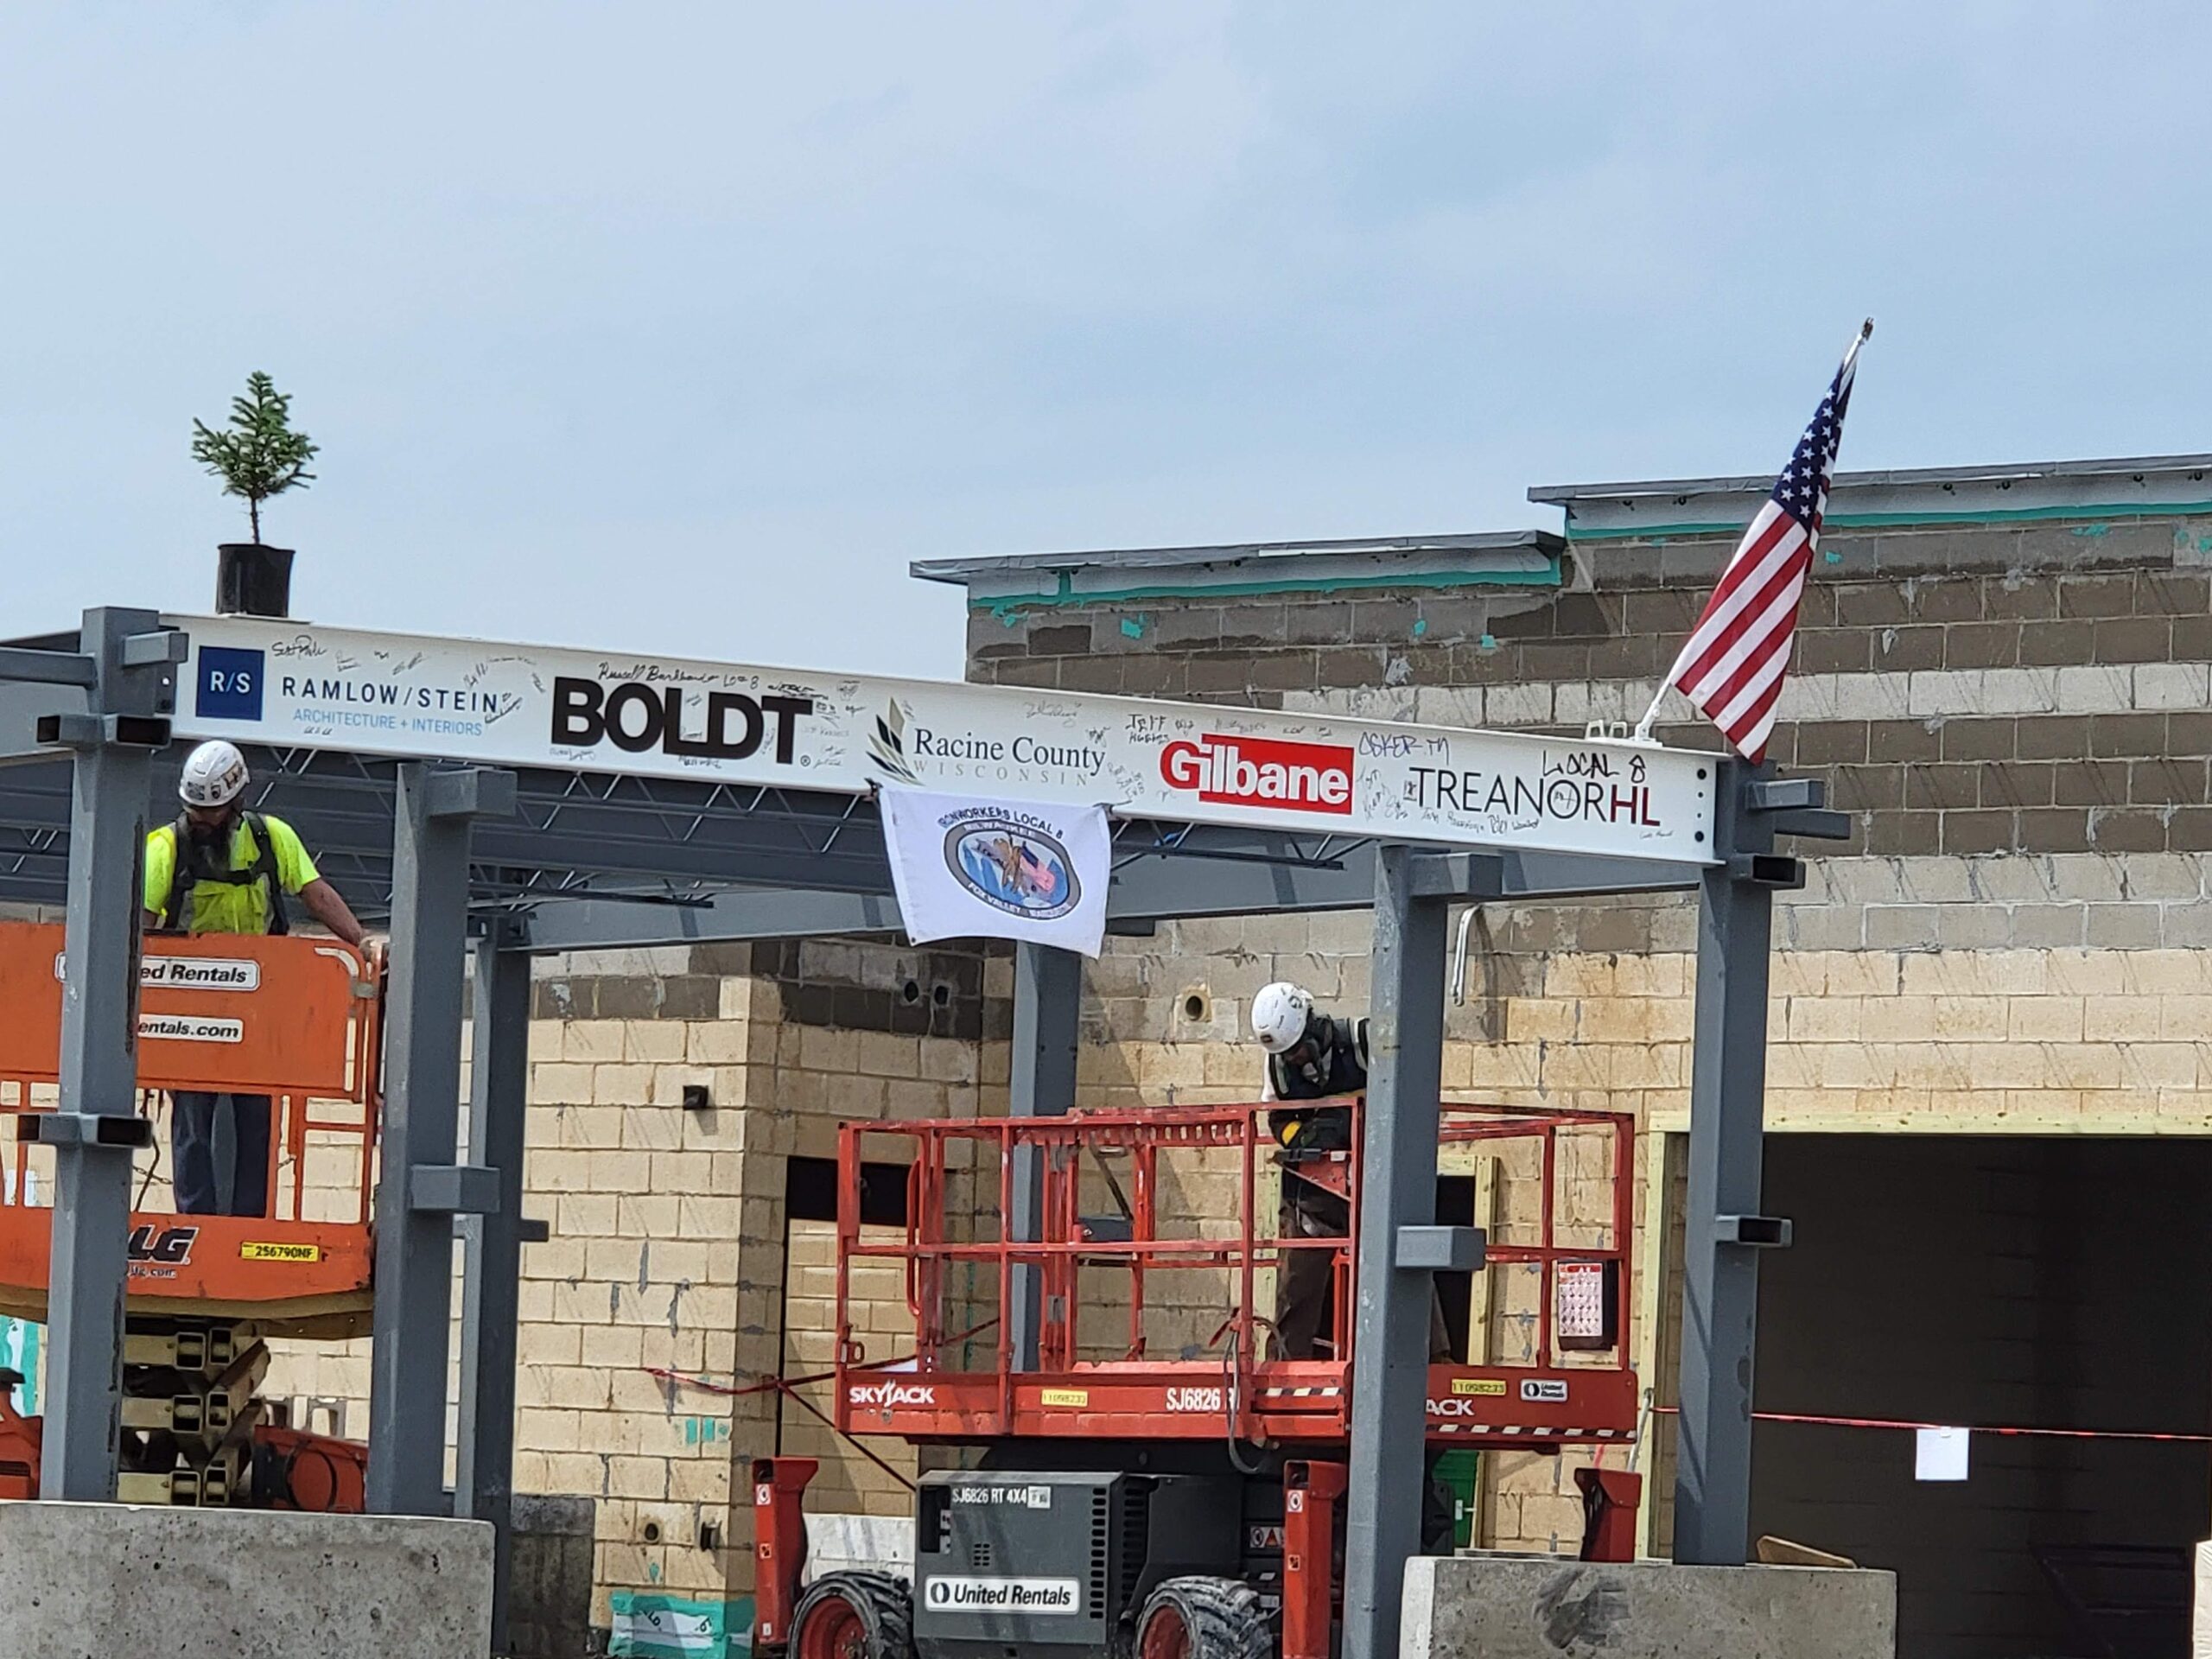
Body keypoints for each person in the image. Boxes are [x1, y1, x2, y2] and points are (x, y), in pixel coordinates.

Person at [1253, 980, 1455, 1555]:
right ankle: (1284, 1370)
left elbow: (1406, 1090)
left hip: (1375, 1183)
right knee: (1298, 1279)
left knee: (1402, 1268)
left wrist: (1354, 1122)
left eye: (1300, 1047)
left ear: (1312, 1025)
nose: (1297, 1058)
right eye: (1288, 1052)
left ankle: (1436, 1360)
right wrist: (1313, 1133)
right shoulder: (1277, 1069)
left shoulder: (1362, 1042)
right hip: (1312, 1188)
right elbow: (1279, 1125)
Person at [142, 741, 365, 1217]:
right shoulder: (166, 848)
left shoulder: (271, 838)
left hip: (260, 1004)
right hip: (193, 1007)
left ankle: (250, 1220)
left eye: (212, 811)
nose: (203, 820)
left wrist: (360, 942)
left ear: (237, 801)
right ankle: (196, 1219)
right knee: (192, 1117)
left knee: (257, 1115)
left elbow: (315, 894)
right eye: (196, 810)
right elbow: (138, 926)